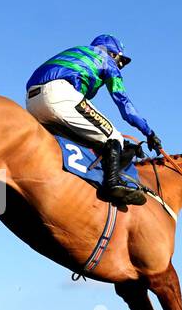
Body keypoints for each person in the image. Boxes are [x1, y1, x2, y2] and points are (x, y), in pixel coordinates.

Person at [25, 35, 162, 205]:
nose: (121, 65)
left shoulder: (78, 51)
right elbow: (124, 105)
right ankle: (112, 184)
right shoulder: (107, 61)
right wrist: (149, 132)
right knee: (114, 136)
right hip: (59, 95)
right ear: (113, 54)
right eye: (122, 60)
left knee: (84, 137)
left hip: (32, 102)